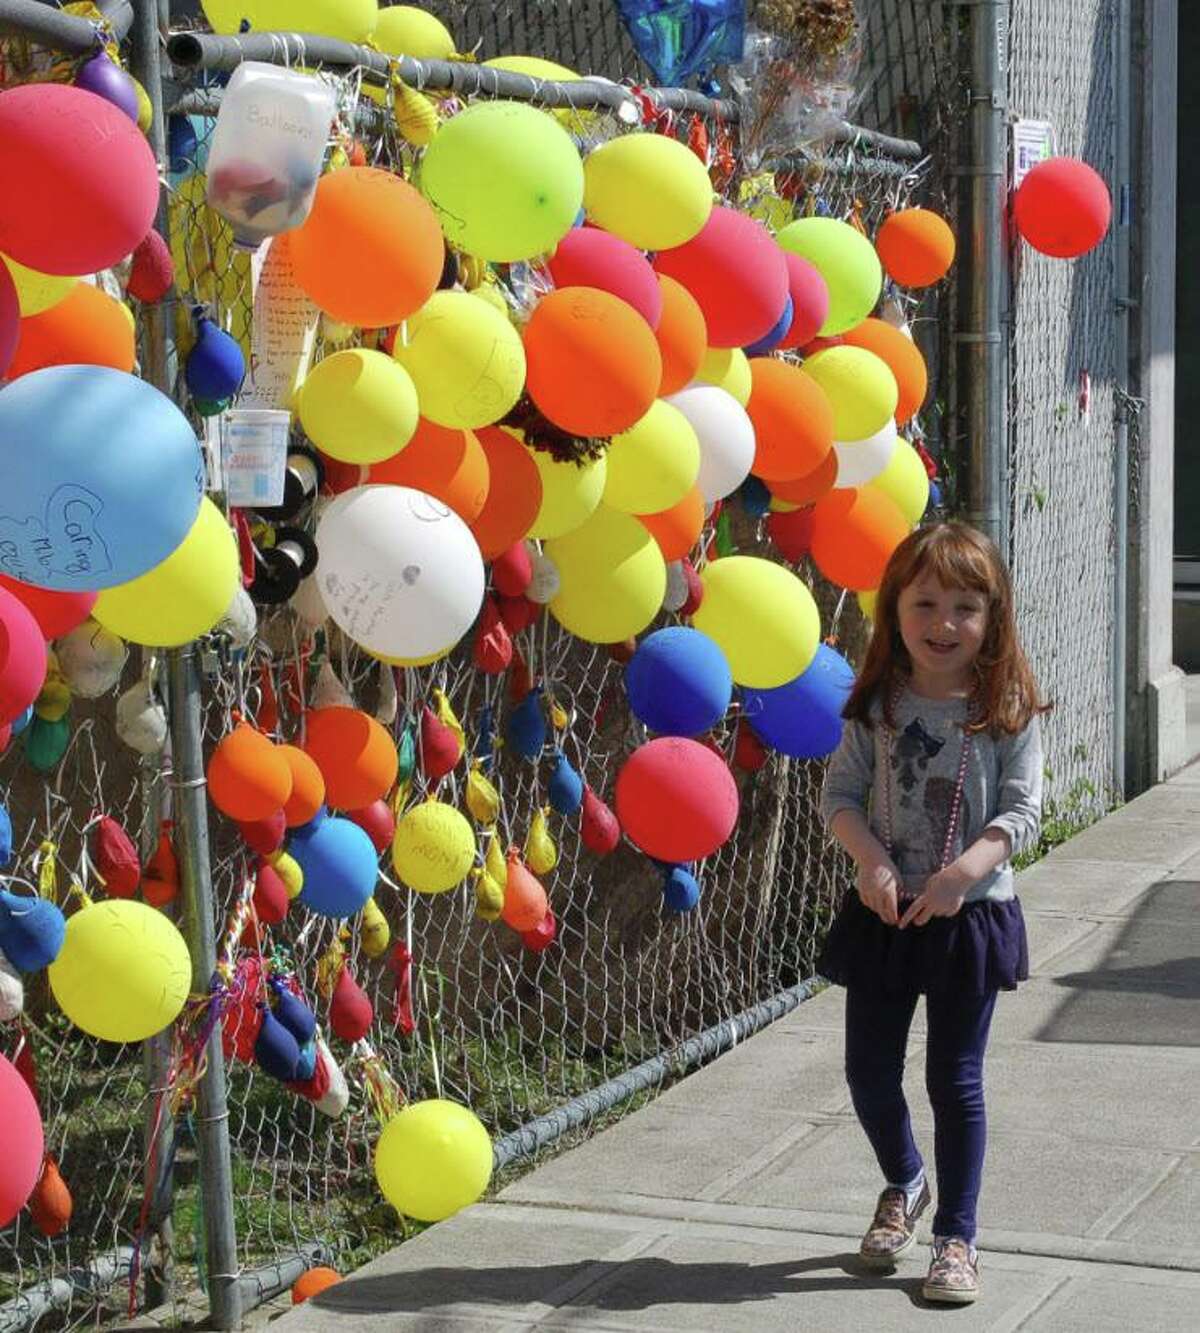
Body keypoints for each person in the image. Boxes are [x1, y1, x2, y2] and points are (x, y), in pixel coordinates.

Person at [818, 521, 1048, 1306]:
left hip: (966, 919)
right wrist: (870, 859)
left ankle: (957, 1235)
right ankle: (905, 1180)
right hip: (883, 915)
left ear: (993, 617)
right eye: (925, 604)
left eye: (963, 607)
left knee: (955, 1080)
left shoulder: (1003, 706)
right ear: (895, 611)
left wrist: (962, 874)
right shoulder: (877, 703)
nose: (943, 624)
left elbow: (1022, 811)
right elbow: (840, 796)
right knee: (868, 1072)